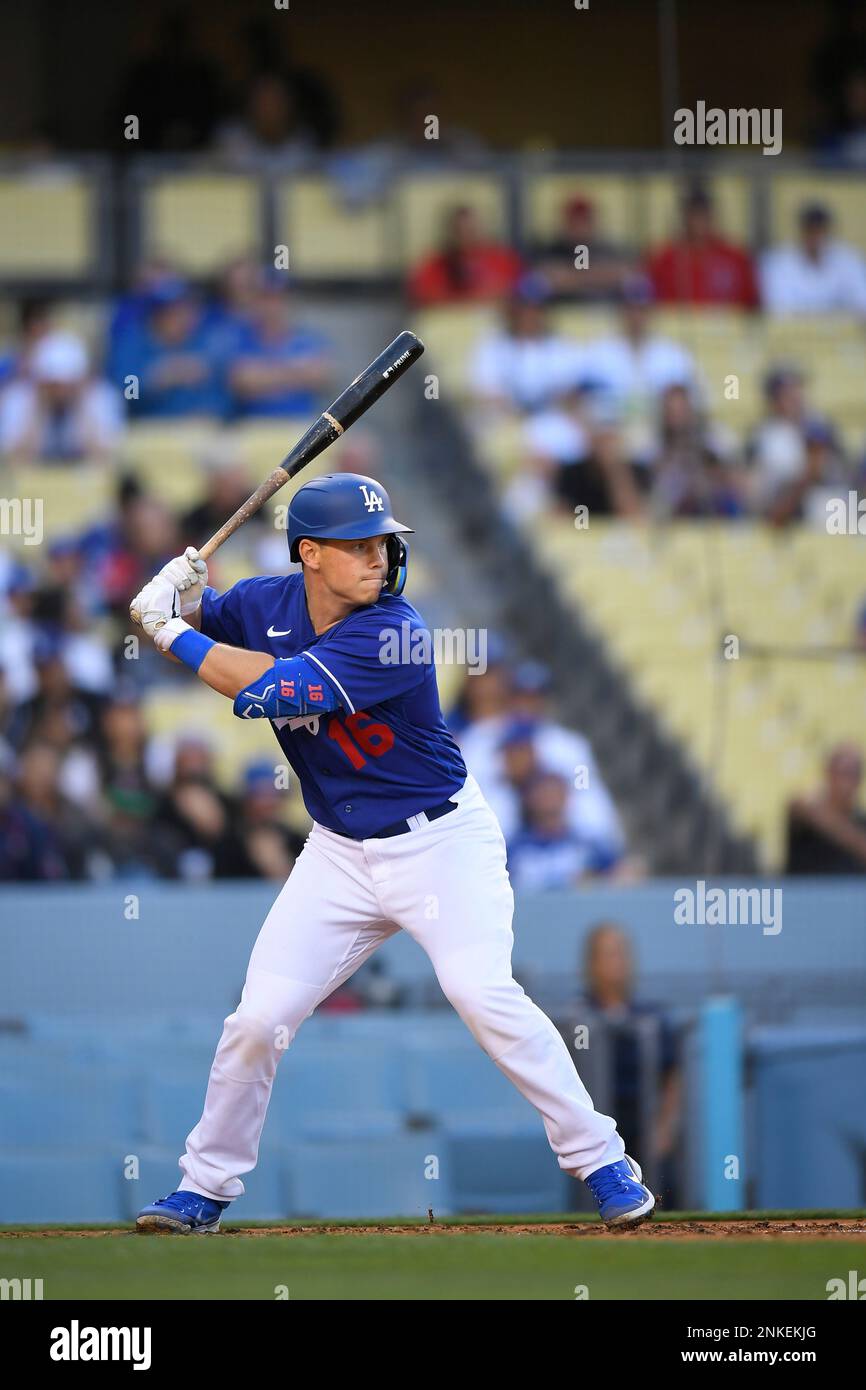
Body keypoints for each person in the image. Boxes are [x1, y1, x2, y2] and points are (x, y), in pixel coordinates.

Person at [128, 470, 655, 1231]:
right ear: (310, 553)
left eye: (381, 542)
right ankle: (203, 1188)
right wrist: (175, 595)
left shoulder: (396, 630)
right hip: (339, 854)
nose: (378, 556)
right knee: (257, 1020)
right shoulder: (263, 604)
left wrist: (170, 631)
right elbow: (196, 621)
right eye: (357, 545)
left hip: (440, 842)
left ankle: (603, 1160)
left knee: (480, 991)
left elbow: (277, 690)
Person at [0, 330, 122, 462]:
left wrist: (81, 406)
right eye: (53, 386)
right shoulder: (16, 399)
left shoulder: (103, 397)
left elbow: (105, 457)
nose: (60, 393)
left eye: (67, 385)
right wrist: (39, 409)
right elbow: (14, 460)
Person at [646, 188, 759, 309]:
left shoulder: (735, 259)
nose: (698, 221)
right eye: (694, 215)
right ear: (684, 217)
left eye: (703, 214)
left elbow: (752, 304)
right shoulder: (664, 259)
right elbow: (647, 299)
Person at [760, 203, 866, 316]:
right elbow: (778, 311)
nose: (815, 237)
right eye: (810, 231)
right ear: (801, 232)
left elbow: (862, 305)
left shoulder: (849, 261)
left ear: (828, 232)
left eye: (820, 231)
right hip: (795, 328)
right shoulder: (779, 263)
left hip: (842, 327)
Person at [407, 205, 523, 307]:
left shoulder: (503, 261)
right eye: (459, 231)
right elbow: (420, 295)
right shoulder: (434, 266)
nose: (465, 237)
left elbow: (520, 291)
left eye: (470, 230)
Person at [531, 194, 633, 303]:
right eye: (575, 223)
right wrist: (596, 276)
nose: (579, 228)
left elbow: (629, 278)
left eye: (584, 222)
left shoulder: (609, 252)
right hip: (560, 309)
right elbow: (534, 285)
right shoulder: (549, 252)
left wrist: (572, 278)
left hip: (603, 310)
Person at [786, 743, 866, 873]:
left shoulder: (861, 821)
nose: (846, 782)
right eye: (842, 773)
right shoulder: (806, 815)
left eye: (853, 774)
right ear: (828, 773)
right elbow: (798, 805)